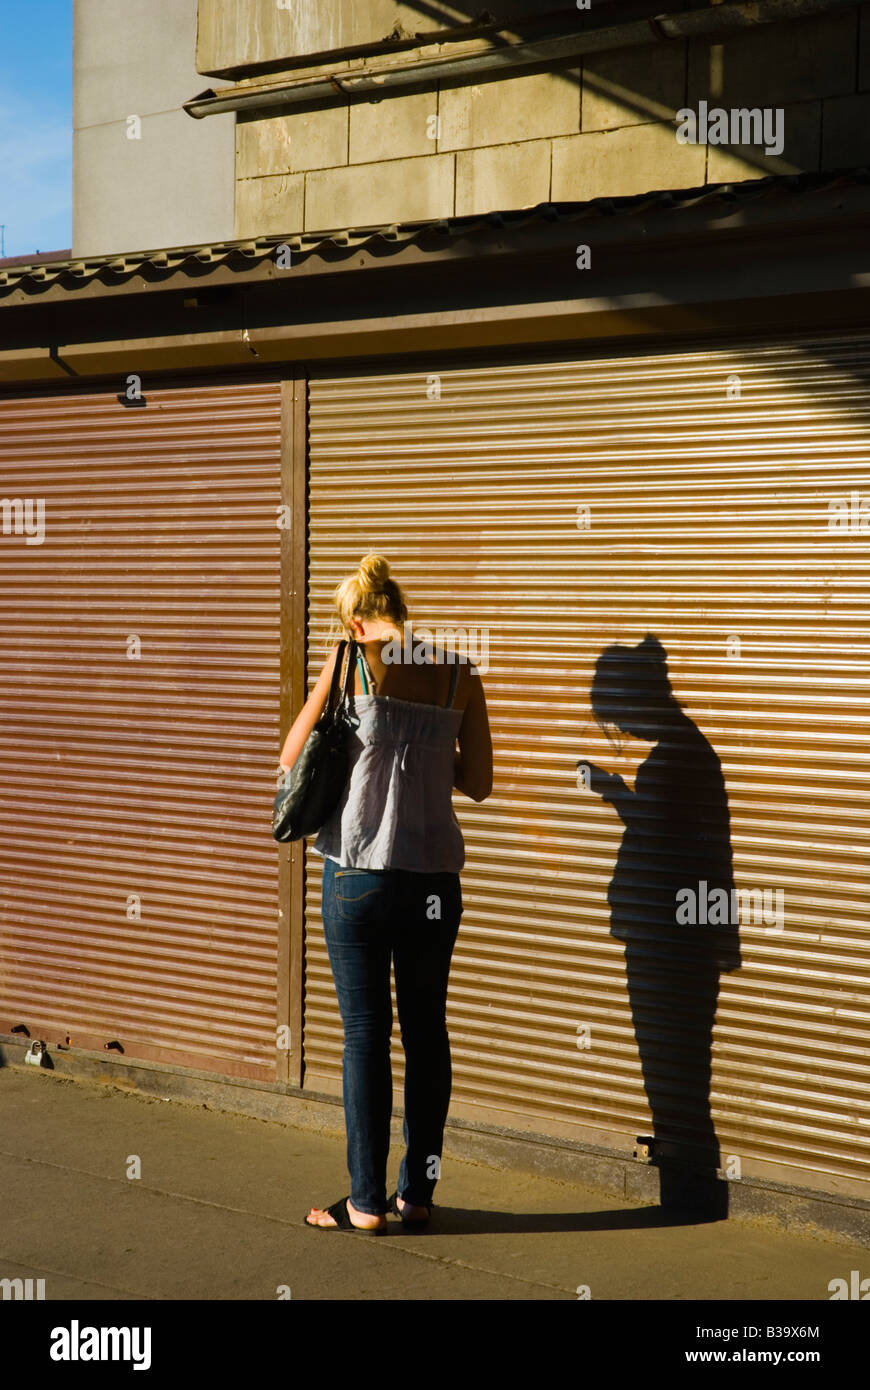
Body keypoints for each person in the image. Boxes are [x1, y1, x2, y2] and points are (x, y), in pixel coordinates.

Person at [278, 554, 493, 1232]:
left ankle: (366, 1203)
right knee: (427, 1035)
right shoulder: (459, 673)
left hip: (357, 876)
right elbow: (480, 780)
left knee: (366, 1036)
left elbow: (292, 757)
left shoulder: (349, 665)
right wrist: (426, 752)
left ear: (354, 618)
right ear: (403, 608)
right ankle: (417, 1195)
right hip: (433, 883)